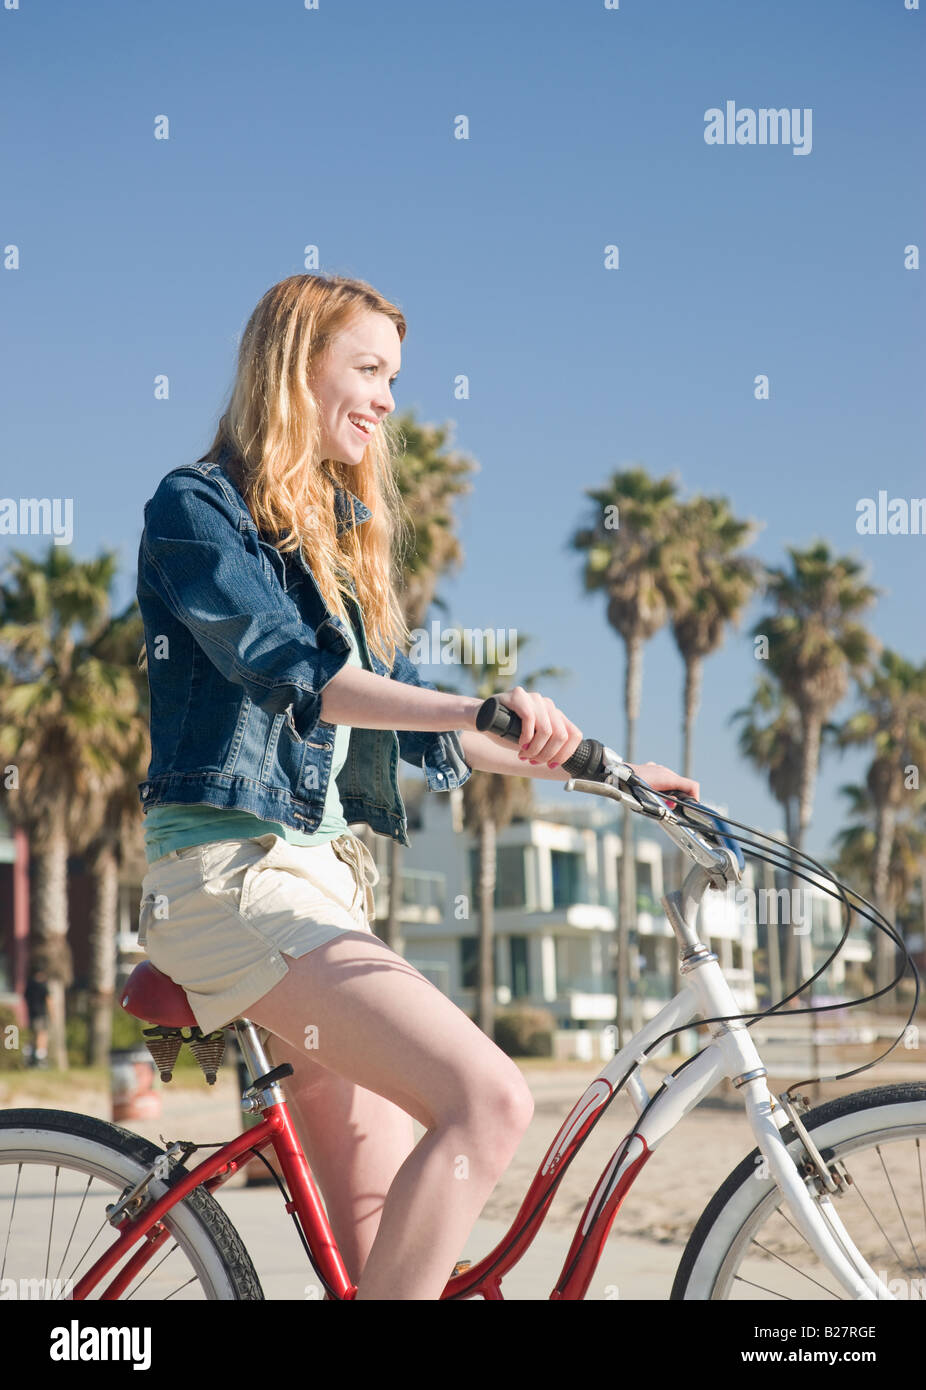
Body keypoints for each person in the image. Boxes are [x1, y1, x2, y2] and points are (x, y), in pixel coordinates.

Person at [135, 272, 698, 1300]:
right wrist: (463, 708)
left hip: (319, 896)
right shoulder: (196, 508)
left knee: (385, 1258)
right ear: (293, 367)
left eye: (392, 376)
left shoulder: (333, 543)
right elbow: (296, 674)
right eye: (368, 369)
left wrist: (609, 771)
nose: (388, 399)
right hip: (230, 877)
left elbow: (422, 736)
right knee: (489, 1100)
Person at [24, 969, 49, 1067]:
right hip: (41, 1014)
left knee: (32, 1035)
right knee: (41, 1034)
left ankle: (29, 1055)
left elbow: (25, 997)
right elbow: (48, 1000)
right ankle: (40, 1058)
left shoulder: (29, 985)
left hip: (31, 1014)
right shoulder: (42, 986)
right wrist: (52, 1014)